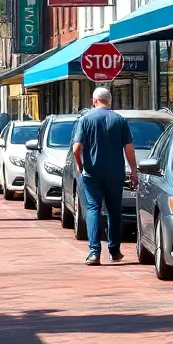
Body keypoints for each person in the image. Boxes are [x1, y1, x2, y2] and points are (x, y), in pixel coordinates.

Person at [71, 87, 137, 265]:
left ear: (95, 100)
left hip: (92, 173)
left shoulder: (85, 120)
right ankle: (114, 250)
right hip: (115, 173)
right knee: (114, 210)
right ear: (110, 101)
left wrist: (80, 166)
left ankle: (94, 252)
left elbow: (76, 148)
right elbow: (129, 149)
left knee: (93, 208)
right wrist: (133, 171)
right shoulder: (119, 120)